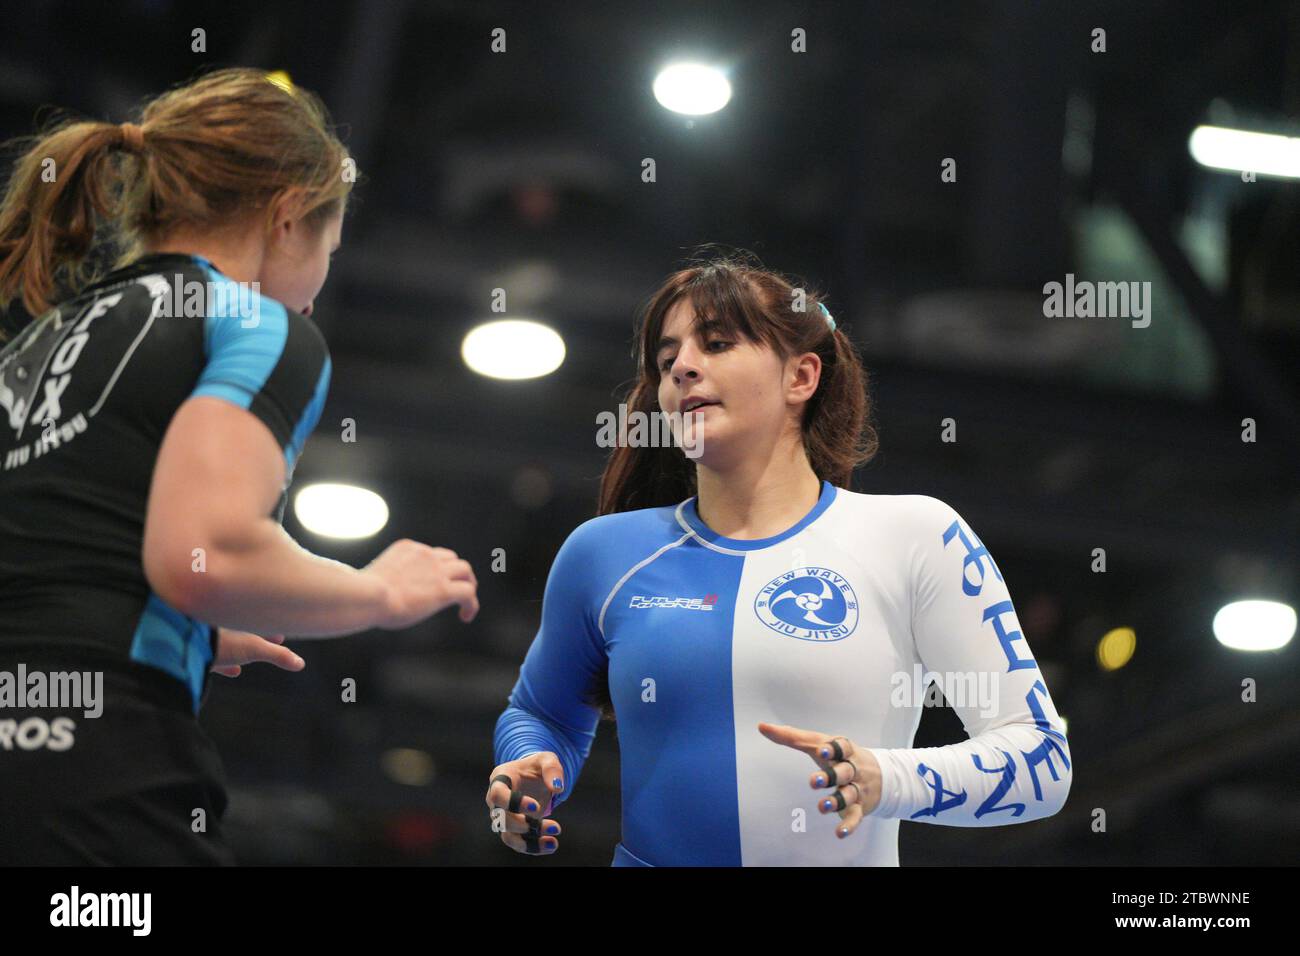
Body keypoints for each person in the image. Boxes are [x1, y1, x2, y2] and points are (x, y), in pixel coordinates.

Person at [0, 67, 478, 865]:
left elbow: (65, 536)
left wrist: (188, 626)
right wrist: (380, 591)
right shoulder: (248, 321)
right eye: (329, 246)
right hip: (89, 768)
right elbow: (205, 555)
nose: (317, 295)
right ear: (289, 216)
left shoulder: (31, 347)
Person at [487, 253, 1071, 865]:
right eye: (666, 361)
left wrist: (887, 778)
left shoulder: (915, 536)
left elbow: (1042, 762)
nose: (683, 366)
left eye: (715, 343)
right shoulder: (602, 554)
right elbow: (540, 714)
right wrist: (521, 771)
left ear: (801, 377)